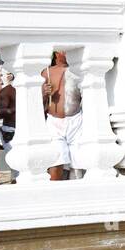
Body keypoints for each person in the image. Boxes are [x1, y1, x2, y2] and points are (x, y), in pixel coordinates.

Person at [42, 51, 83, 181]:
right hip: (54, 122)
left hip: (76, 120)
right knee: (56, 160)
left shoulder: (78, 70)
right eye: (62, 50)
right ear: (56, 52)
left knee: (78, 162)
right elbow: (38, 103)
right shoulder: (46, 72)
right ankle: (54, 194)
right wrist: (43, 92)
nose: (66, 52)